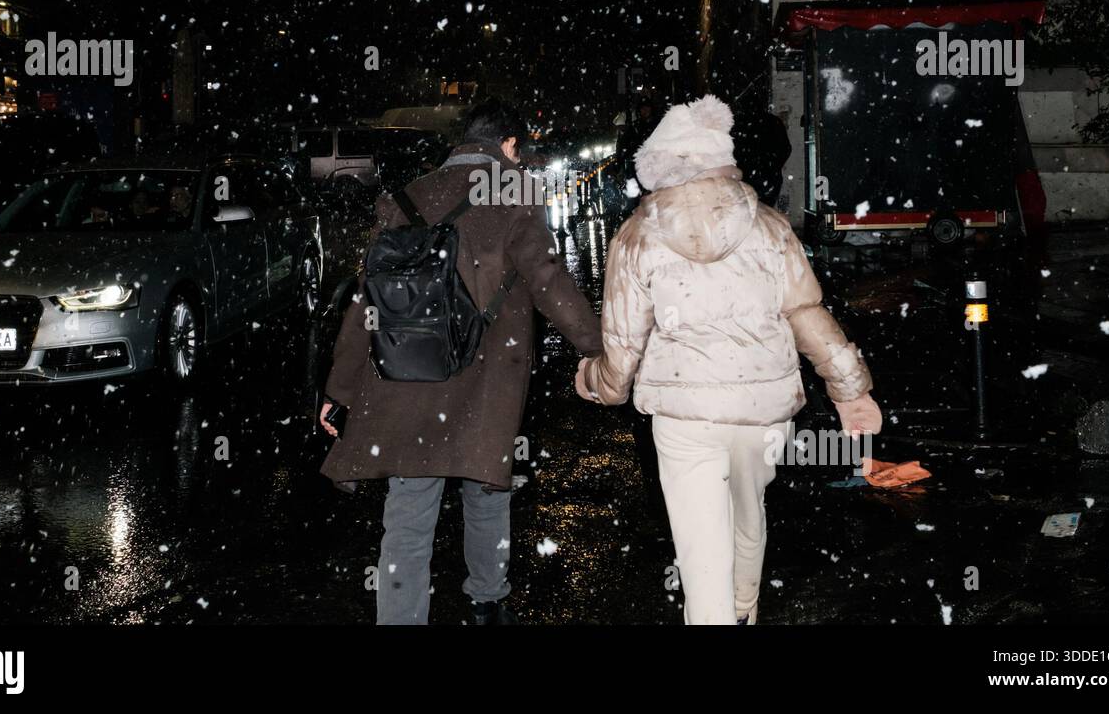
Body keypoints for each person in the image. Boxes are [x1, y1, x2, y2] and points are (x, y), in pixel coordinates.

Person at [574, 94, 881, 625]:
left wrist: (596, 382)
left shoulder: (635, 236)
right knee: (748, 509)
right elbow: (807, 312)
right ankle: (745, 606)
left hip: (684, 412)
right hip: (764, 406)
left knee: (700, 542)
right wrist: (851, 391)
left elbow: (623, 344)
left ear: (658, 166)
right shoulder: (768, 226)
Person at [319, 98, 603, 625]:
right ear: (509, 145)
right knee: (488, 487)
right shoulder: (515, 193)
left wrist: (340, 389)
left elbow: (368, 301)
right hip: (485, 375)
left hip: (408, 376)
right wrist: (597, 346)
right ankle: (486, 600)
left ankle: (400, 617)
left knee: (407, 514)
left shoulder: (408, 197)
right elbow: (547, 279)